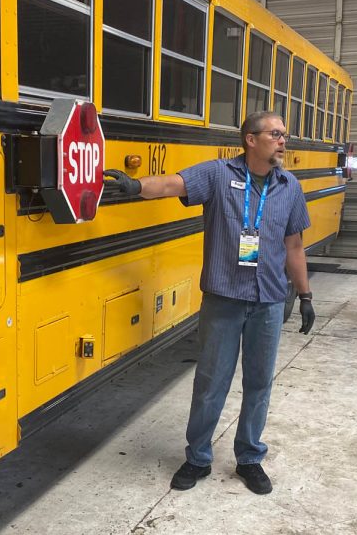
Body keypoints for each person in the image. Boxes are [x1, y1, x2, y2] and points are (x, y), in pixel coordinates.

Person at [103, 111, 315, 495]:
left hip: (268, 300)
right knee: (210, 383)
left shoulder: (290, 186)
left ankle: (249, 458)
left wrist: (304, 294)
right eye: (276, 134)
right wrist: (135, 186)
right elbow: (173, 184)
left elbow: (294, 246)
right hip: (224, 299)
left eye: (285, 134)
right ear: (251, 139)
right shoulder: (219, 175)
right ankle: (198, 457)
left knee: (259, 383)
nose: (284, 141)